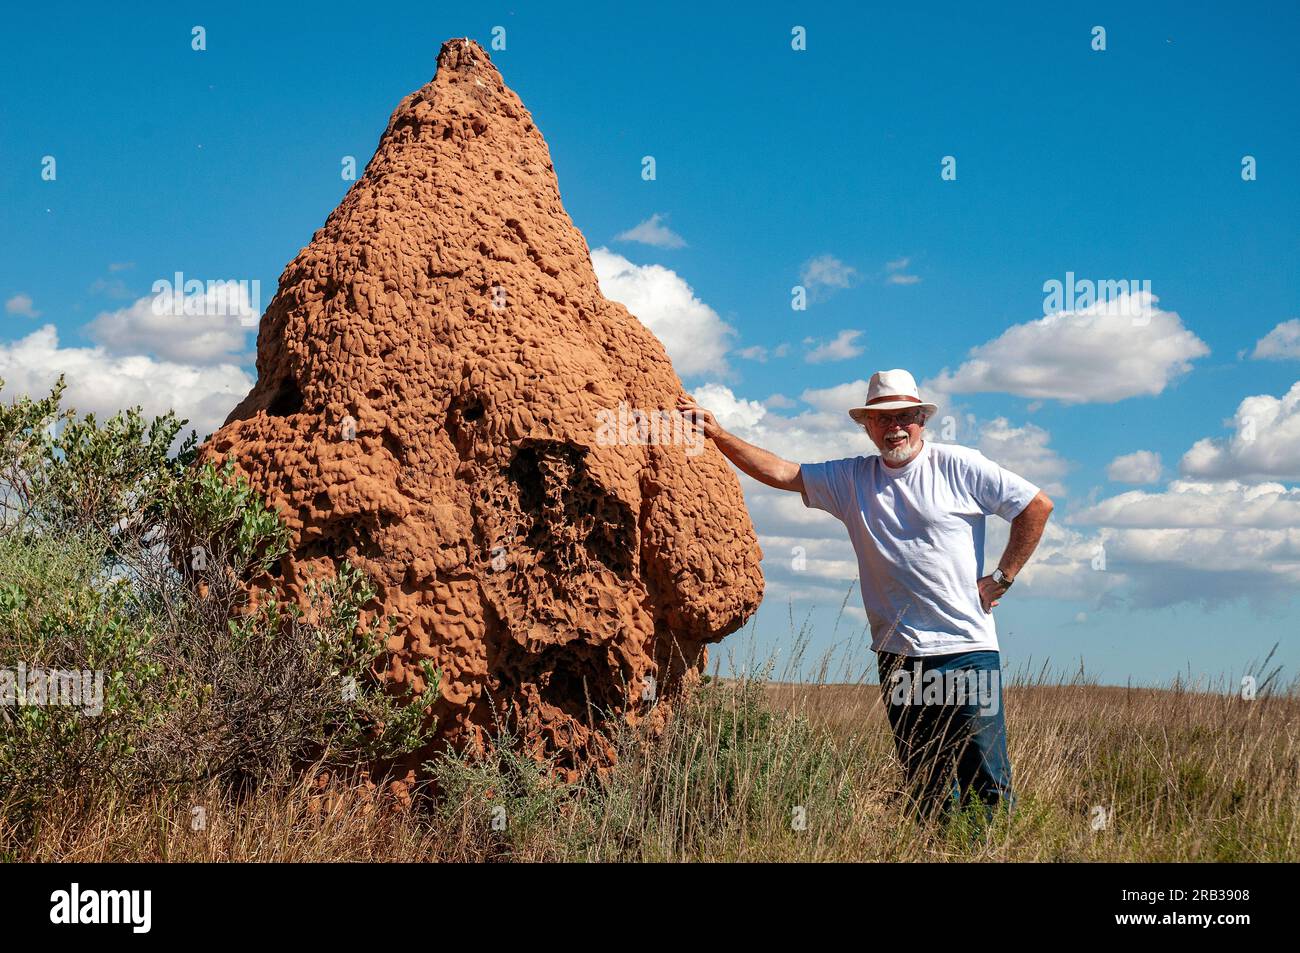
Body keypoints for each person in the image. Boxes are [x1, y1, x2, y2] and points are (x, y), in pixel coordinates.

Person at [677, 368, 1054, 823]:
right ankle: (935, 852)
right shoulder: (853, 478)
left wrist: (1003, 575)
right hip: (897, 655)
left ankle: (992, 853)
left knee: (986, 778)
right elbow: (782, 473)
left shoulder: (959, 465)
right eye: (881, 418)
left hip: (966, 651)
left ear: (921, 419)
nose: (895, 426)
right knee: (923, 777)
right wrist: (717, 434)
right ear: (867, 426)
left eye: (905, 416)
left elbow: (1035, 505)